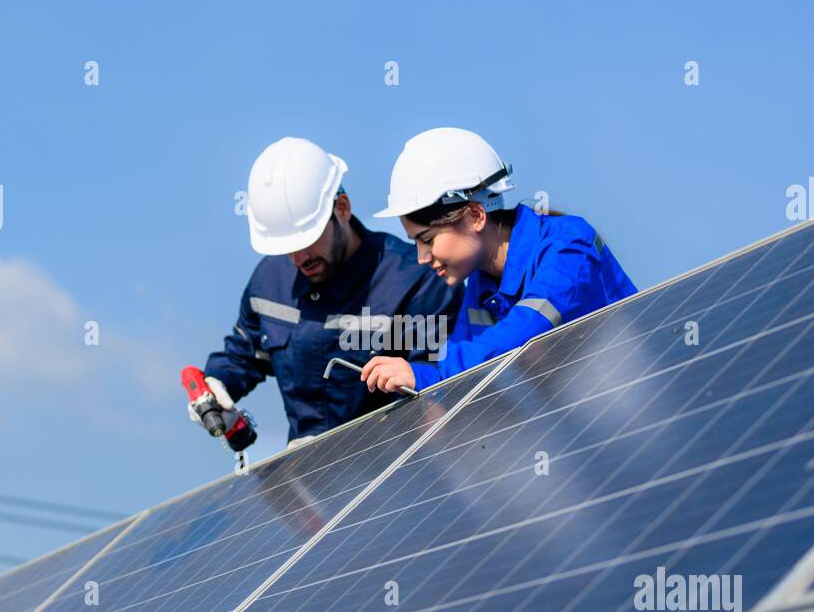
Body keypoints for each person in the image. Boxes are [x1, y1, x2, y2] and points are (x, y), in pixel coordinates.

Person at [192, 136, 461, 446]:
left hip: (399, 476)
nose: (298, 259)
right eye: (286, 247)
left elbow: (440, 388)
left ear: (342, 209)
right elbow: (244, 355)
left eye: (308, 241)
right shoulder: (269, 281)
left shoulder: (416, 281)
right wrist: (217, 385)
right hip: (304, 476)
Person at [360, 128, 637, 393]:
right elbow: (460, 368)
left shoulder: (569, 245)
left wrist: (428, 376)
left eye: (428, 239)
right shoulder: (482, 287)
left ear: (475, 216)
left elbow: (527, 330)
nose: (421, 257)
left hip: (638, 402)